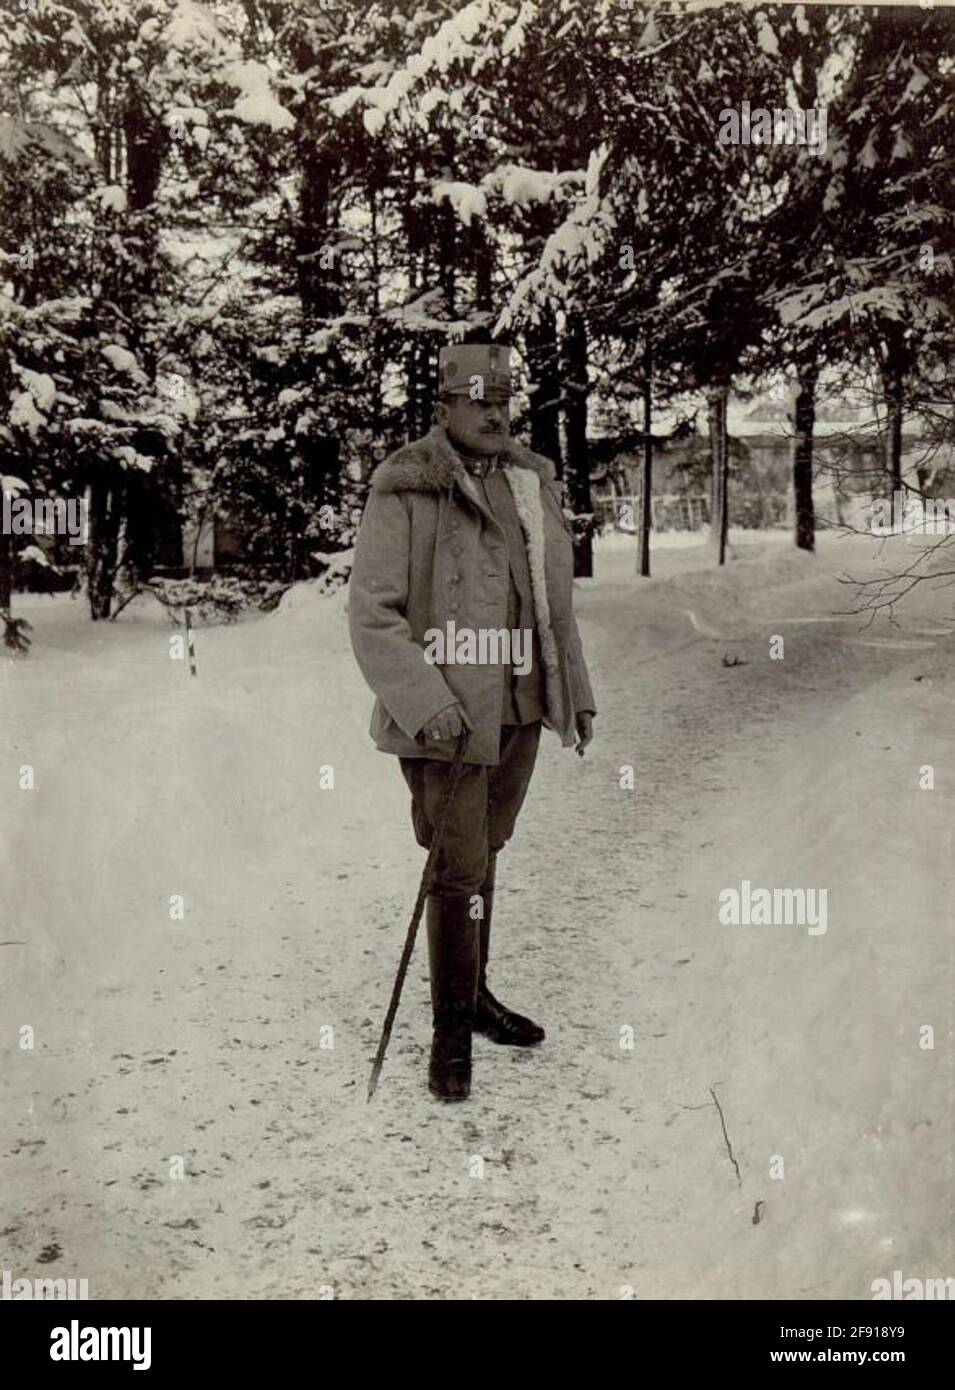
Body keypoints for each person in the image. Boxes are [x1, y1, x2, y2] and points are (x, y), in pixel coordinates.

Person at [348, 343, 597, 1101]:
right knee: (455, 869)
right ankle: (450, 1031)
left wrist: (573, 691)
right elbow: (372, 615)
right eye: (477, 399)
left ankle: (476, 996)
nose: (493, 413)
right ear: (445, 405)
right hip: (447, 718)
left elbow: (553, 606)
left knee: (486, 854)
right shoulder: (406, 488)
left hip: (518, 704)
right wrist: (428, 702)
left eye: (504, 400)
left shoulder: (529, 483)